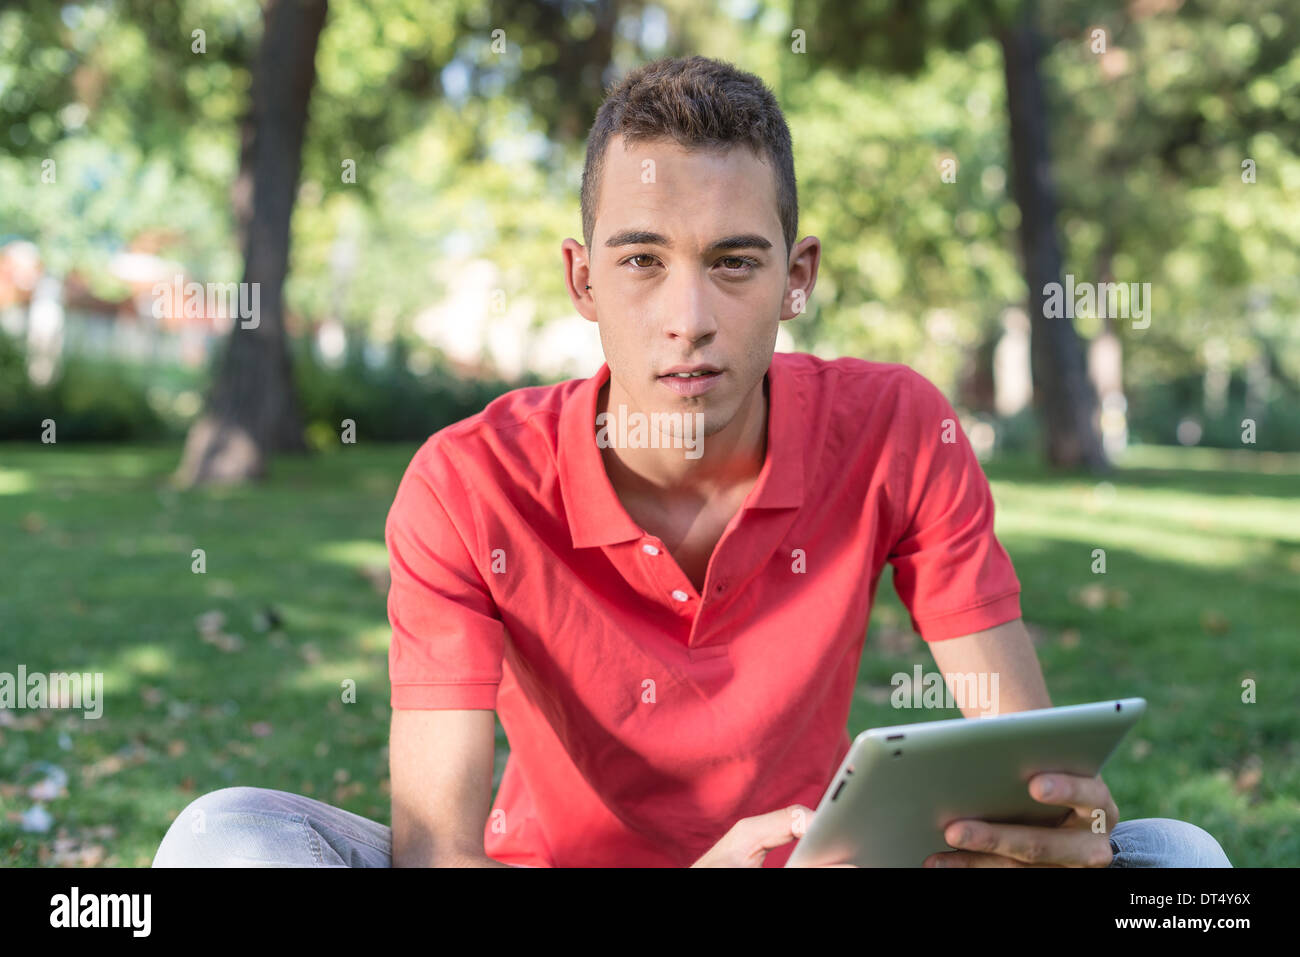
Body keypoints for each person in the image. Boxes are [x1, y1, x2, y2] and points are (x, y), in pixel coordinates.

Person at [154, 55, 1231, 869]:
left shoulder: (900, 429)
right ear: (583, 281)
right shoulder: (467, 481)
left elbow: (1017, 760)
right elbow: (440, 855)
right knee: (226, 840)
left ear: (795, 276)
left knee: (1176, 863)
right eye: (641, 262)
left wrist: (1060, 830)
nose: (687, 320)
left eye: (732, 264)